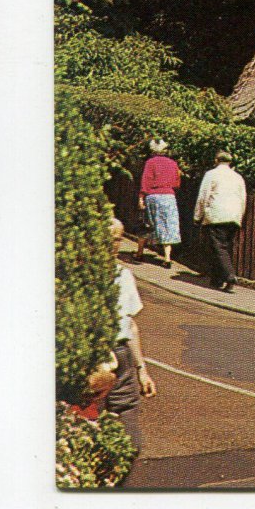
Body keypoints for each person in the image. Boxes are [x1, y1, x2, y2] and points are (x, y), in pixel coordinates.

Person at [104, 218, 157, 454]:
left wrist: (142, 371)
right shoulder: (80, 276)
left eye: (118, 238)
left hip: (122, 355)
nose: (114, 244)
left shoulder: (124, 276)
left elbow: (131, 325)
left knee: (131, 439)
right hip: (96, 358)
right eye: (111, 238)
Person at [194, 150, 247, 292]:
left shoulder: (211, 175)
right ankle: (217, 279)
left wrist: (197, 216)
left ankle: (229, 276)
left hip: (216, 215)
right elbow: (243, 199)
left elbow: (203, 196)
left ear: (216, 160)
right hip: (233, 216)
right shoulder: (238, 177)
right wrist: (239, 216)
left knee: (217, 247)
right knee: (224, 247)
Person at [137, 139, 181, 267]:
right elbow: (177, 183)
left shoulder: (150, 163)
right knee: (168, 225)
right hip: (169, 197)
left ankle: (139, 253)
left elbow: (146, 181)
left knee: (146, 224)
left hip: (153, 196)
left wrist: (141, 197)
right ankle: (167, 258)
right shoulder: (173, 163)